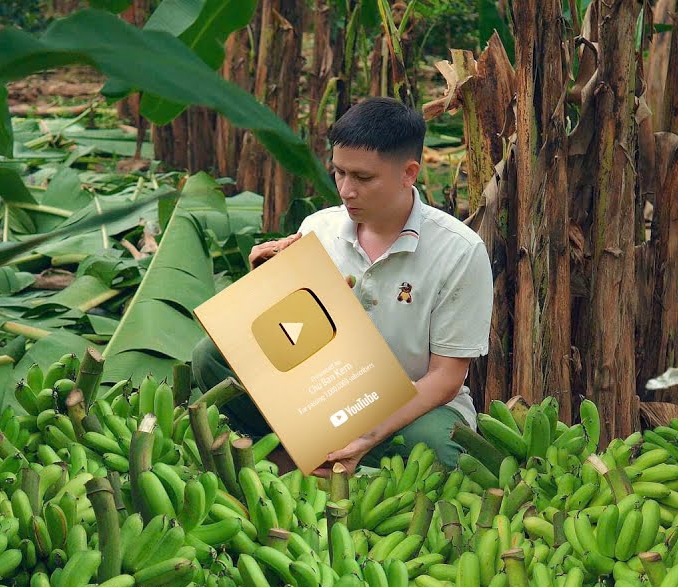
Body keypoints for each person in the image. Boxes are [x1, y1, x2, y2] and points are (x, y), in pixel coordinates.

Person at [191, 96, 494, 476]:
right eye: (339, 173)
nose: (346, 190)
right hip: (320, 395)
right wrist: (262, 283)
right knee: (210, 356)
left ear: (409, 173)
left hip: (407, 407)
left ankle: (292, 459)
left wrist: (369, 434)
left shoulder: (459, 251)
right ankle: (316, 454)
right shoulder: (319, 229)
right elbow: (284, 339)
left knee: (443, 446)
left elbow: (447, 377)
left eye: (363, 178)